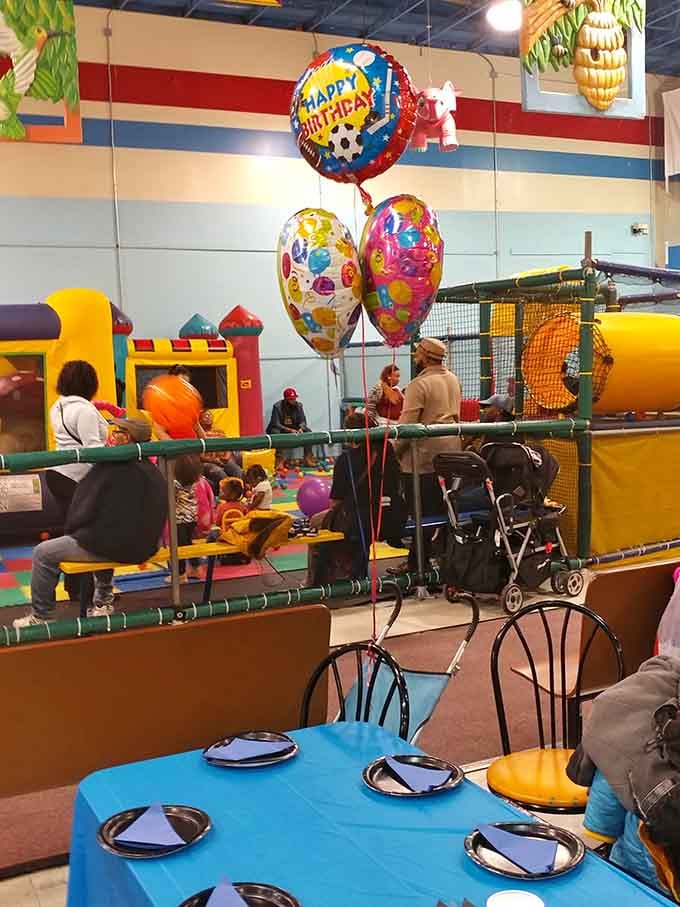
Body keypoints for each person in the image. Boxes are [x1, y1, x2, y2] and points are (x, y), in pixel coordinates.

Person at [13, 419, 167, 628]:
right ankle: (103, 602)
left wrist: (75, 529)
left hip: (116, 546)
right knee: (103, 533)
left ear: (126, 438)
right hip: (145, 545)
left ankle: (41, 616)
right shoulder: (152, 470)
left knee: (44, 552)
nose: (112, 435)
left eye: (118, 431)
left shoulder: (112, 467)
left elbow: (86, 507)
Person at [567, 656, 680, 899]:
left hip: (641, 861)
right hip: (645, 856)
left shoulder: (629, 711)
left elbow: (610, 778)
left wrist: (600, 831)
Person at [390, 338, 462, 576]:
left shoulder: (418, 385)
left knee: (421, 514)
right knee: (445, 511)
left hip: (423, 460)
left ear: (424, 356)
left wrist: (392, 454)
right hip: (452, 455)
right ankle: (442, 561)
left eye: (417, 353)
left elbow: (406, 428)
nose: (414, 356)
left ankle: (417, 565)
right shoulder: (453, 379)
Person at [308, 412, 406, 585]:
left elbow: (335, 503)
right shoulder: (388, 452)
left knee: (315, 522)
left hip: (360, 521)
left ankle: (316, 581)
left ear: (350, 434)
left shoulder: (345, 460)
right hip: (392, 518)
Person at [173, 454, 204, 582]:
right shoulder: (196, 483)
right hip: (192, 518)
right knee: (187, 543)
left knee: (179, 547)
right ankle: (195, 568)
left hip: (180, 520)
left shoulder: (175, 484)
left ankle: (180, 574)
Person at [267, 387, 315, 467]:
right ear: (286, 399)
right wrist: (289, 430)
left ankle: (308, 458)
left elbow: (303, 421)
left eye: (294, 398)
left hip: (295, 429)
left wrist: (301, 428)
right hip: (282, 429)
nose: (294, 401)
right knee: (275, 432)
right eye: (291, 399)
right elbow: (276, 423)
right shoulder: (277, 406)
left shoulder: (299, 406)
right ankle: (279, 459)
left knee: (308, 431)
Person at [198, 409, 243, 494]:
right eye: (205, 416)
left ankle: (240, 494)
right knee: (220, 473)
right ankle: (228, 495)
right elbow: (200, 456)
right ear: (200, 420)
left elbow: (228, 446)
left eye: (210, 415)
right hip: (209, 463)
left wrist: (226, 457)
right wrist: (214, 461)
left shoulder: (219, 432)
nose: (208, 417)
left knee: (237, 471)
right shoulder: (199, 435)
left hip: (223, 460)